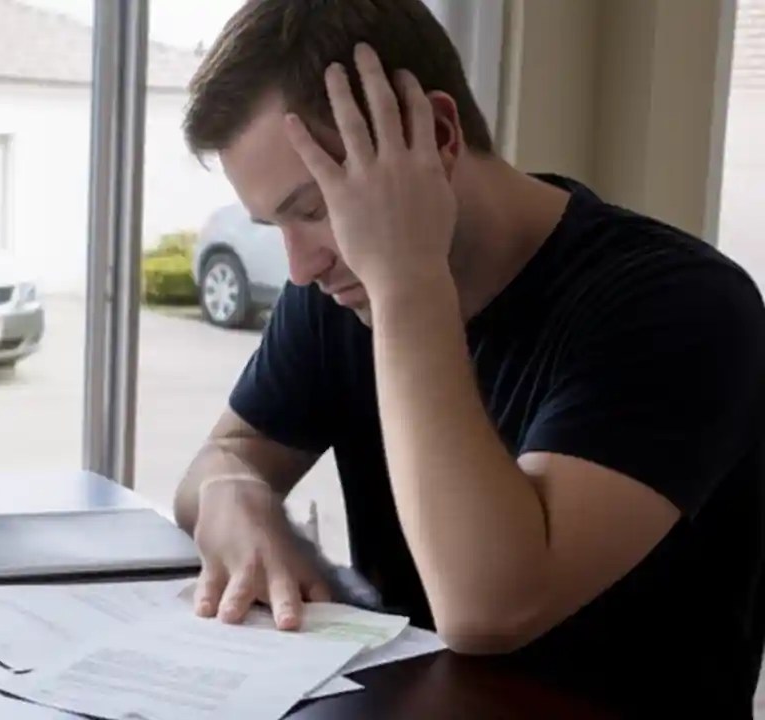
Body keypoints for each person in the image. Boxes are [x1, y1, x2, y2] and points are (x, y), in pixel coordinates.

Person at [172, 0, 765, 714]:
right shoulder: (340, 289)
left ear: (438, 136)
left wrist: (408, 282)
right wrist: (231, 493)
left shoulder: (682, 305)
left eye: (316, 206)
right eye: (275, 225)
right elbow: (223, 455)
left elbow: (489, 608)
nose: (299, 267)